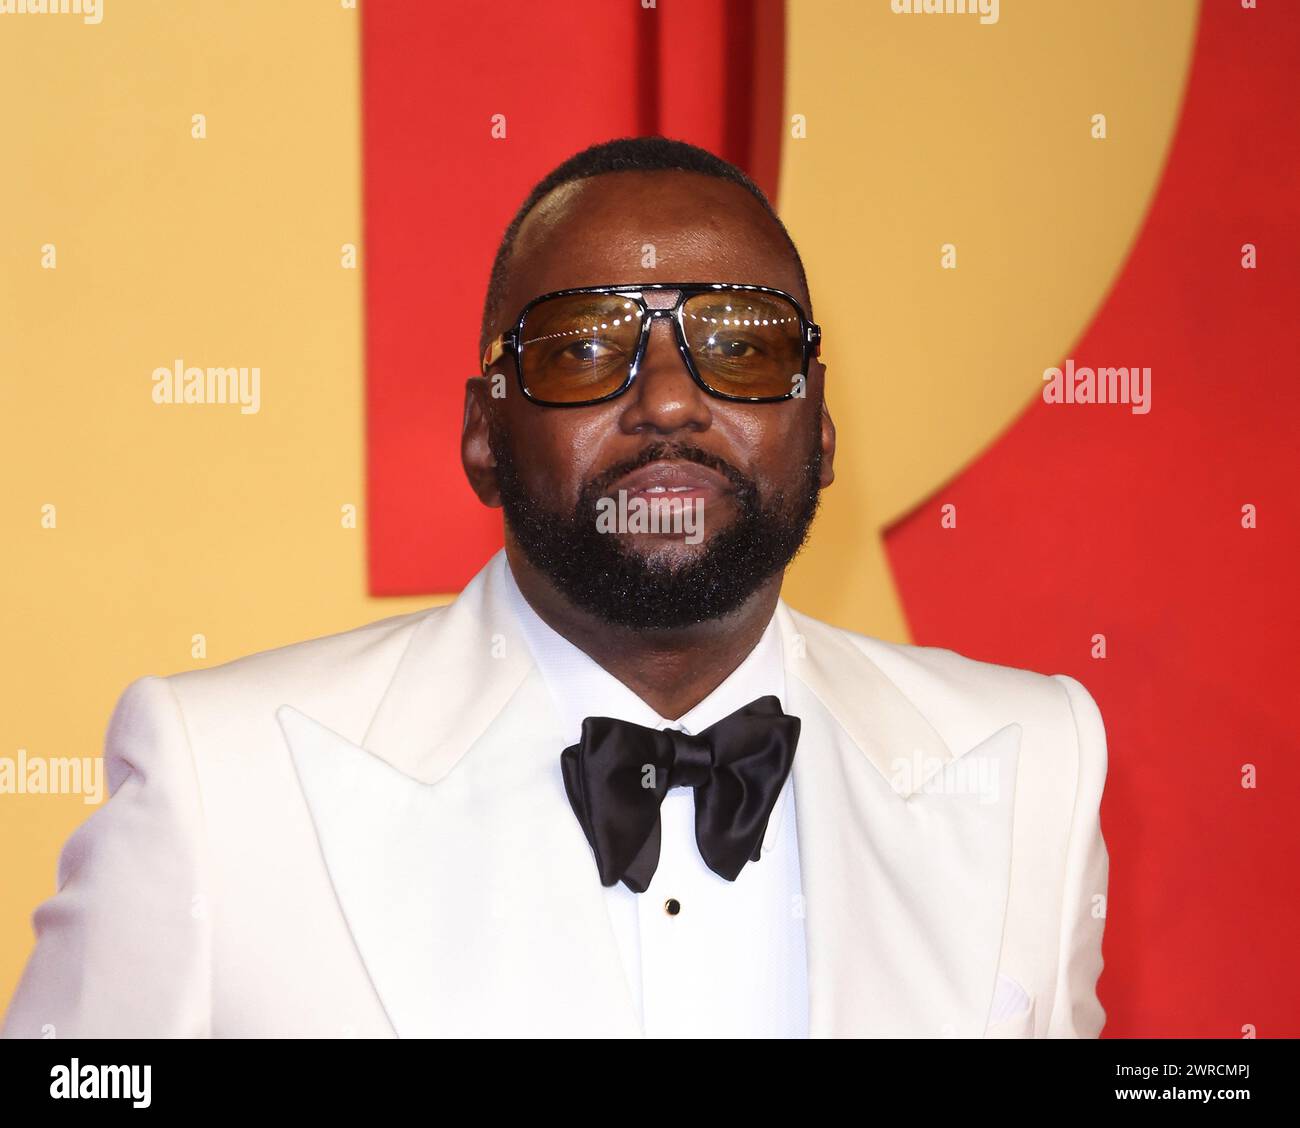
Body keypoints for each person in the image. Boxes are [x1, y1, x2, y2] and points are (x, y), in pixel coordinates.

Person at [1, 136, 1108, 1038]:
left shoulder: (1029, 766)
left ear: (819, 429)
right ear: (483, 436)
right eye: (584, 348)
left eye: (743, 344)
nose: (670, 401)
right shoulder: (221, 785)